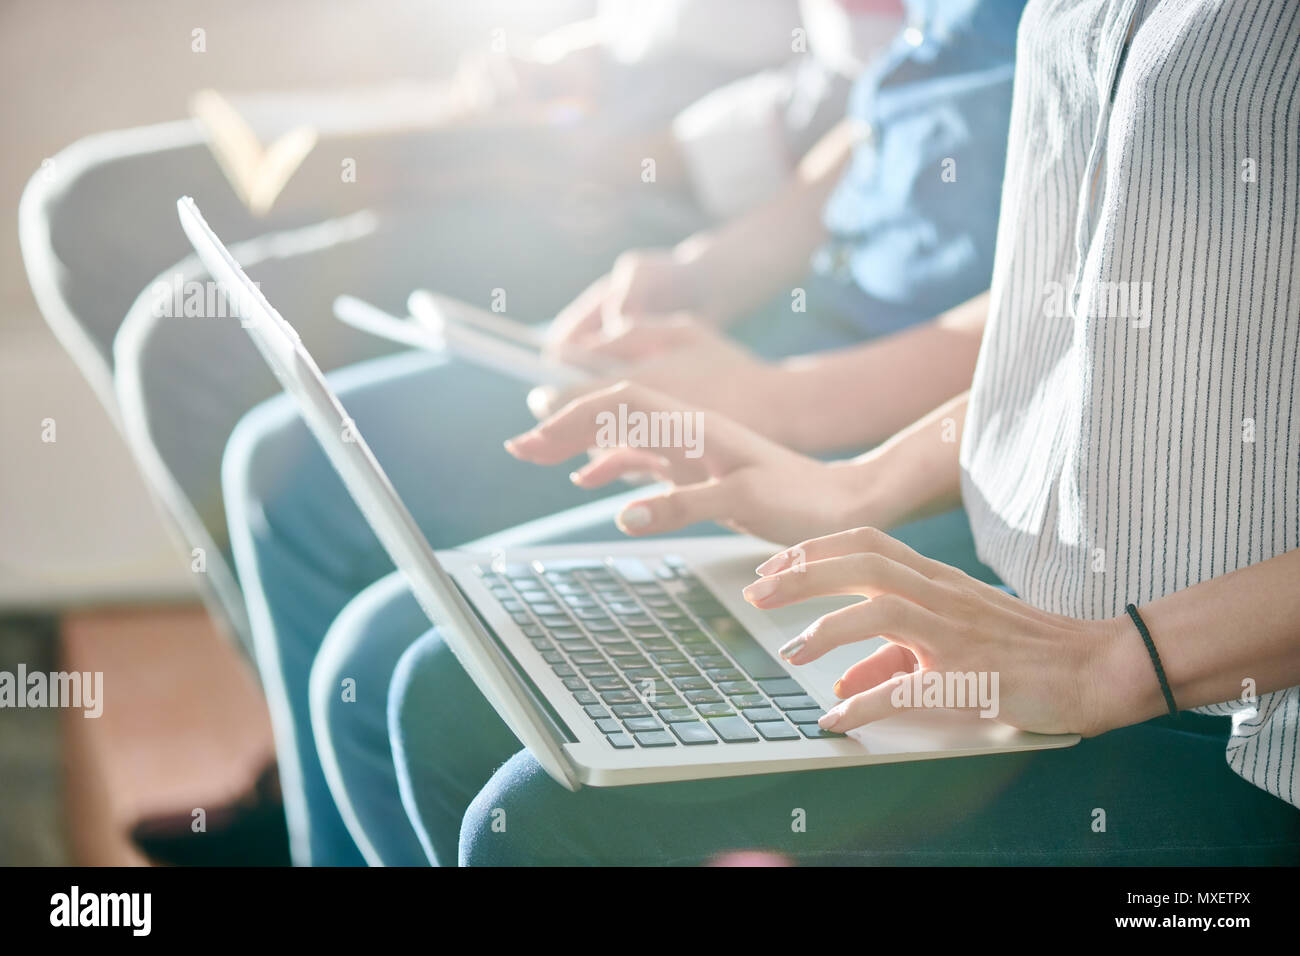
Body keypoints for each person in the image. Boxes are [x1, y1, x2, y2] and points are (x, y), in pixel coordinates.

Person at [368, 0, 1300, 865]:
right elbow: (1084, 318)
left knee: (546, 828)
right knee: (447, 695)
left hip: (1237, 728)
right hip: (1042, 604)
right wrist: (860, 481)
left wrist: (1115, 663)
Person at [223, 0, 1028, 864]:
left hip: (922, 409)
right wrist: (714, 269)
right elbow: (893, 104)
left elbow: (1073, 306)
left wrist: (779, 399)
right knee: (301, 484)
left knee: (399, 674)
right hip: (820, 312)